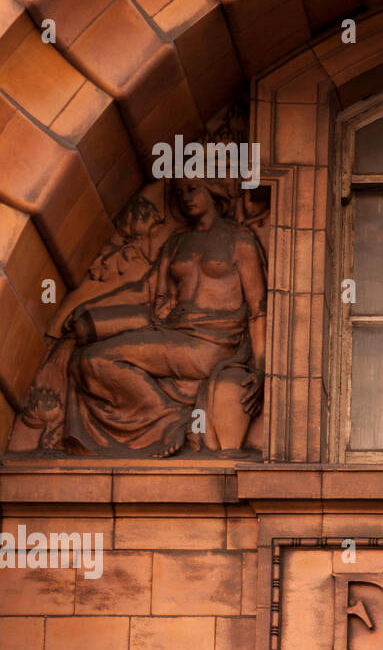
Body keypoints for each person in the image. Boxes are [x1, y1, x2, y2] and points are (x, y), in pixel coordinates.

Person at [64, 175, 266, 457]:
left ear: (213, 189)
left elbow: (258, 309)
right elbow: (151, 301)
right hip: (174, 334)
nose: (186, 198)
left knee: (97, 358)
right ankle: (171, 418)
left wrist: (261, 368)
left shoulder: (239, 240)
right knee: (89, 359)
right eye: (180, 192)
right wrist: (91, 313)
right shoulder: (176, 244)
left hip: (214, 344)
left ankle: (171, 425)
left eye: (193, 189)